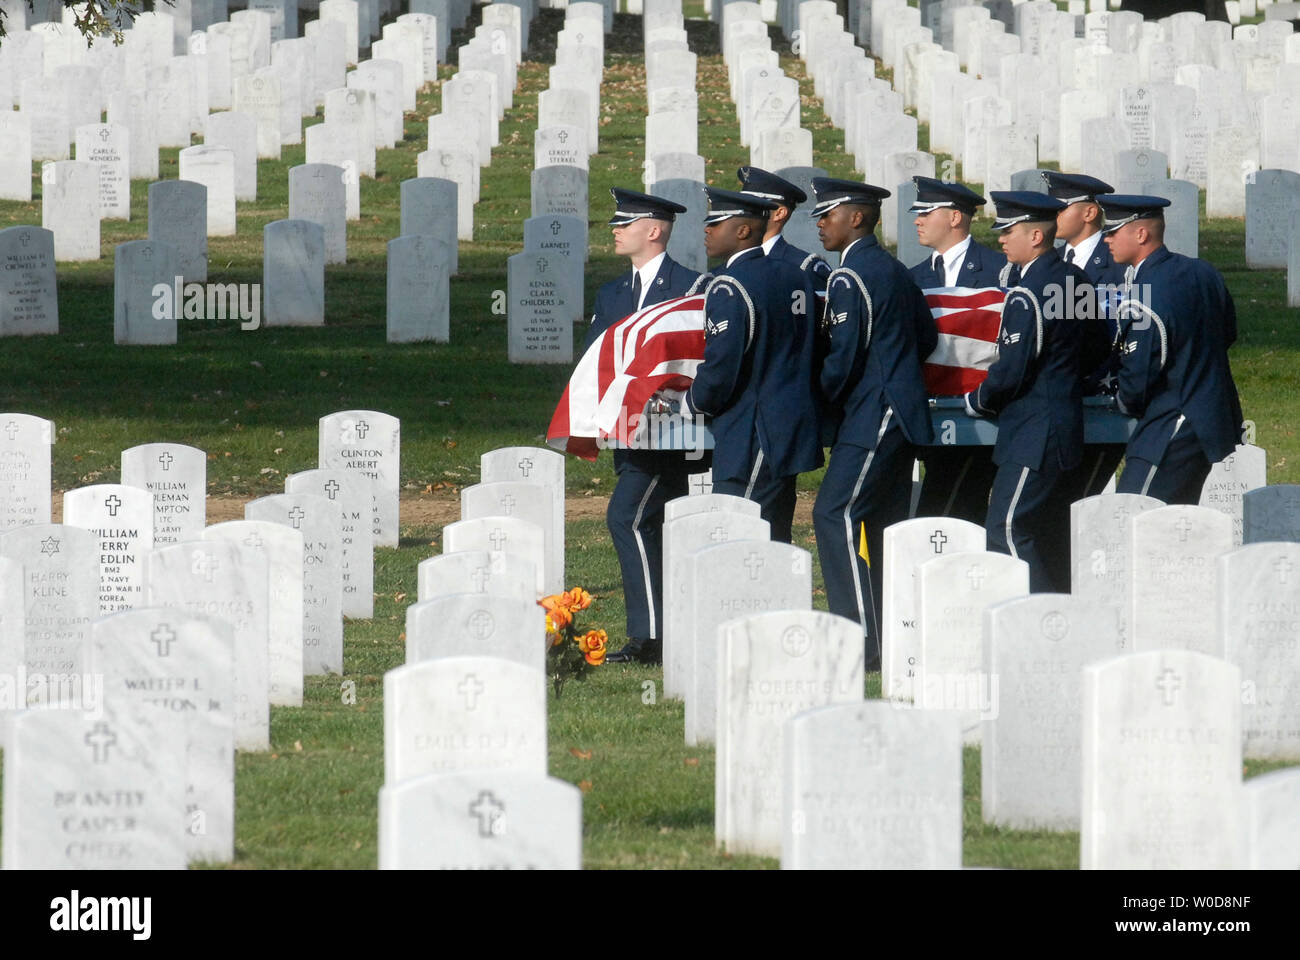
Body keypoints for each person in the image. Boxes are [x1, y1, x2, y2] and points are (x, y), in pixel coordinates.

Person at [810, 177, 937, 667]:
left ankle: (861, 642)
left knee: (834, 513)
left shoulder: (850, 276)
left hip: (874, 411)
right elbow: (925, 337)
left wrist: (822, 398)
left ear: (856, 218)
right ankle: (887, 635)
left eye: (829, 214)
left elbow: (841, 359)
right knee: (883, 524)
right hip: (899, 410)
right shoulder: (895, 270)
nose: (820, 223)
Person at [587, 188, 702, 666]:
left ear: (653, 230)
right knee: (651, 524)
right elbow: (597, 358)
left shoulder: (692, 286)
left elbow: (698, 356)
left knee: (627, 516)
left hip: (673, 433)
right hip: (627, 432)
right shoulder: (612, 293)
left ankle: (648, 638)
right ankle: (664, 633)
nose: (615, 230)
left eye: (625, 223)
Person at [963, 192, 1093, 593]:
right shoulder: (1076, 280)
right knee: (1047, 531)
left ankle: (1038, 621)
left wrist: (979, 399)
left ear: (1036, 235)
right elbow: (1095, 349)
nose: (1001, 239)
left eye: (1008, 231)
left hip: (1033, 430)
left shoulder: (1028, 291)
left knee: (1007, 527)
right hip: (1066, 423)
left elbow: (1012, 369)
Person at [678, 187, 822, 542]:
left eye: (716, 223)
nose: (707, 230)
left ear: (743, 231)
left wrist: (692, 402)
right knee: (775, 536)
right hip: (790, 427)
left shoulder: (729, 285)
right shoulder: (795, 275)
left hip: (750, 431)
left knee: (742, 542)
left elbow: (722, 367)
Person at [1098, 194, 1244, 504]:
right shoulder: (1203, 272)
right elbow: (1226, 334)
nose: (1106, 239)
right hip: (1210, 418)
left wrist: (1124, 400)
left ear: (1141, 234)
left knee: (1132, 515)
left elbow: (1139, 374)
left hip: (1172, 420)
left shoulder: (1145, 293)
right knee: (1173, 524)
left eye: (1113, 231)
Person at [908, 176, 1007, 525]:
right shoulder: (913, 277)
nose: (917, 219)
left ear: (954, 217)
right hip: (934, 408)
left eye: (926, 212)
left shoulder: (1001, 271)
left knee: (961, 502)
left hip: (985, 404)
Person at [1044, 171, 1130, 500]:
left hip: (1101, 395)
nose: (1051, 215)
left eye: (1060, 207)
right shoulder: (1050, 262)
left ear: (1090, 213)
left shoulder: (1118, 264)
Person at [736, 166, 833, 290]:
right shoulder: (732, 260)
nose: (741, 211)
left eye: (752, 205)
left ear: (779, 213)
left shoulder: (804, 267)